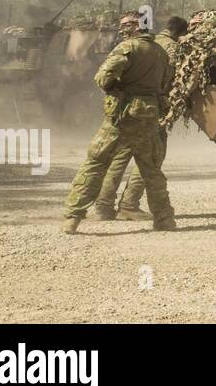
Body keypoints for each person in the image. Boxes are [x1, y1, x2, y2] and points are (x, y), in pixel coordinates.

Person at [62, 17, 175, 234]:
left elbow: (103, 78)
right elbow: (165, 84)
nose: (122, 30)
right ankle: (164, 220)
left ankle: (73, 217)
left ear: (134, 28)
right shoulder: (160, 52)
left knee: (95, 163)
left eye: (125, 26)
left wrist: (117, 90)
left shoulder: (127, 48)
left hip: (121, 118)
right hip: (149, 118)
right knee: (152, 171)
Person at [94, 15, 188, 220]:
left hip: (124, 109)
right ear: (181, 33)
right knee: (151, 159)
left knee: (120, 156)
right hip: (150, 110)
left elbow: (107, 75)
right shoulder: (168, 48)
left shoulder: (136, 45)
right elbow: (168, 80)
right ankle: (129, 204)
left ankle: (103, 205)